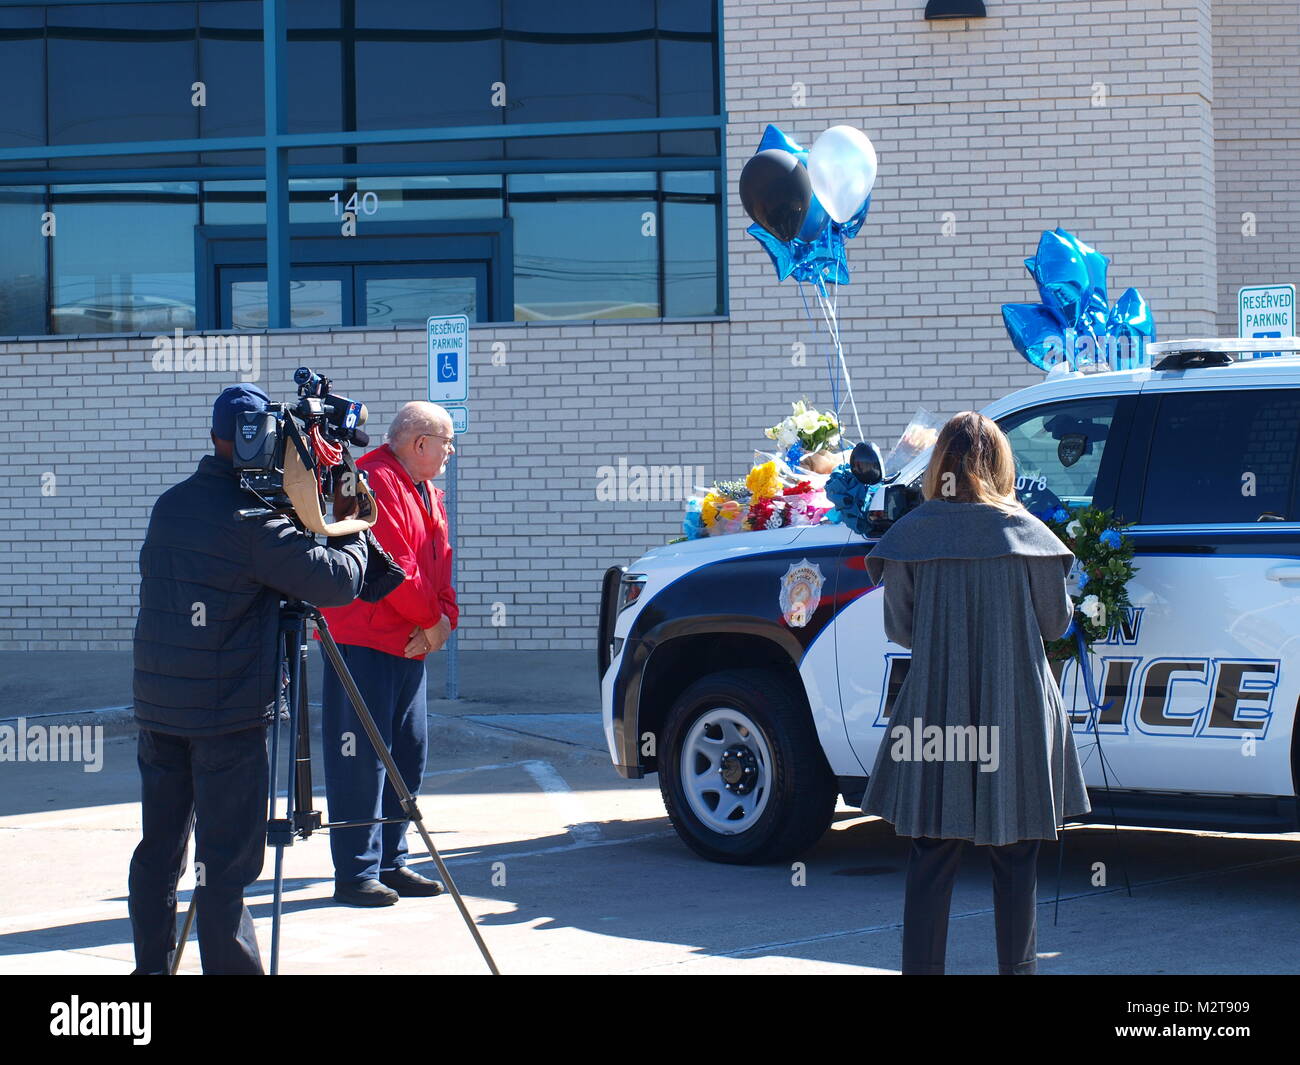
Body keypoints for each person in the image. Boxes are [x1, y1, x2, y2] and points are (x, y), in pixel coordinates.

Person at [129, 383, 381, 975]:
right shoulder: (250, 523)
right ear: (256, 439)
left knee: (159, 851)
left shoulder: (171, 502)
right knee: (226, 866)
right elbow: (337, 583)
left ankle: (149, 971)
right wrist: (350, 510)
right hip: (225, 717)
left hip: (159, 708)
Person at [860, 410, 1090, 975]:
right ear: (1000, 462)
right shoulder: (1027, 534)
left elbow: (900, 630)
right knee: (1015, 854)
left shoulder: (911, 535)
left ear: (940, 462)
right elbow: (1056, 624)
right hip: (1014, 705)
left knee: (932, 851)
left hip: (937, 705)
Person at [319, 401, 459, 906]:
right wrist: (433, 622)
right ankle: (355, 873)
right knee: (359, 758)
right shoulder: (373, 480)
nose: (451, 450)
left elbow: (438, 564)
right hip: (365, 641)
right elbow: (395, 566)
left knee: (406, 753)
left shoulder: (425, 490)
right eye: (446, 441)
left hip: (410, 641)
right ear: (419, 443)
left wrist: (444, 622)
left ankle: (391, 860)